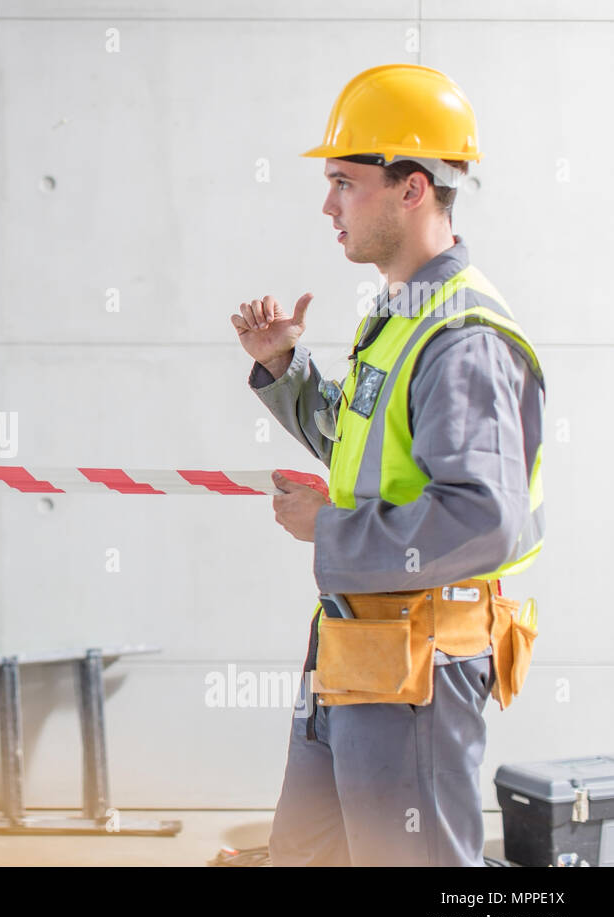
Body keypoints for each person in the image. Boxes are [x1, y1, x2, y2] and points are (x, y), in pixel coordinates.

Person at [230, 64, 544, 866]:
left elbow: (486, 518)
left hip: (414, 676)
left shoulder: (462, 336)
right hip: (352, 657)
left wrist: (329, 529)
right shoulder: (400, 315)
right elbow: (363, 448)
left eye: (344, 182)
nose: (327, 204)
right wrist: (285, 372)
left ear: (412, 189)